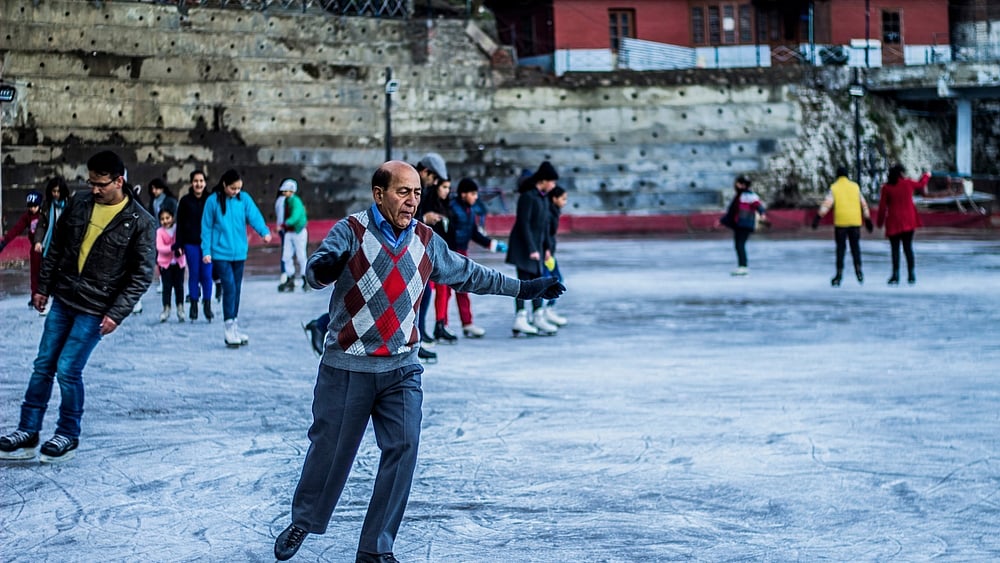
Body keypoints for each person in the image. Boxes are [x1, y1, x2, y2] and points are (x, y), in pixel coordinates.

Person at [273, 160, 564, 562]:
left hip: (401, 368)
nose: (412, 201)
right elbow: (318, 267)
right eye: (402, 192)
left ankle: (375, 548)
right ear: (379, 194)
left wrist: (525, 287)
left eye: (416, 193)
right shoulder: (353, 230)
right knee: (329, 451)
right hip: (347, 366)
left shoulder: (426, 240)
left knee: (404, 446)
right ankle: (304, 521)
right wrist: (322, 269)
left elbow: (470, 274)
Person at [0, 150, 156, 463]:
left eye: (101, 184)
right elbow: (56, 246)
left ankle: (68, 434)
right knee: (43, 364)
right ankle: (28, 431)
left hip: (96, 308)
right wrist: (43, 287)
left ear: (119, 181)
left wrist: (116, 313)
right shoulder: (81, 203)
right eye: (91, 182)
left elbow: (141, 276)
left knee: (68, 369)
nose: (94, 189)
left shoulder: (139, 222)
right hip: (64, 298)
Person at [200, 169, 273, 347]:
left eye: (239, 188)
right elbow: (206, 227)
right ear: (224, 185)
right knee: (229, 287)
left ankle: (234, 325)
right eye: (233, 188)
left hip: (239, 252)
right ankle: (228, 327)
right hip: (220, 253)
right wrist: (206, 250)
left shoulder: (244, 199)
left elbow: (254, 215)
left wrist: (264, 231)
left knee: (237, 289)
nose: (236, 191)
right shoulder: (213, 201)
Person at [445, 178, 508, 337]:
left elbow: (474, 233)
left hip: (462, 253)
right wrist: (448, 254)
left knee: (463, 289)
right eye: (473, 194)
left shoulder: (470, 211)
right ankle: (442, 325)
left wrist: (491, 244)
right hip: (449, 253)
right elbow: (446, 233)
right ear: (463, 194)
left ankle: (467, 323)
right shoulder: (452, 208)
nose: (475, 197)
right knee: (445, 292)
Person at [505, 161, 560, 336]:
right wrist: (531, 249)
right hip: (524, 248)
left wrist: (547, 249)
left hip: (538, 247)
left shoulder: (543, 198)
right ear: (543, 180)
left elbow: (544, 228)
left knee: (538, 281)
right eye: (552, 182)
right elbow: (524, 224)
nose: (554, 186)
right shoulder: (528, 197)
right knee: (524, 282)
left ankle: (537, 314)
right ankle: (520, 317)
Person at [812, 166, 873, 286]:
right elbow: (863, 203)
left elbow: (827, 204)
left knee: (841, 249)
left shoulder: (834, 187)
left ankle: (839, 274)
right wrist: (867, 219)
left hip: (841, 223)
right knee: (855, 247)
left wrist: (818, 218)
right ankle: (859, 271)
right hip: (855, 221)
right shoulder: (855, 187)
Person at [876, 164, 931, 285]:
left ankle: (895, 275)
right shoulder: (908, 183)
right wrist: (926, 175)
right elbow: (921, 184)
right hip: (908, 220)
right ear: (901, 173)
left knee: (895, 250)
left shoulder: (886, 187)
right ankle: (911, 274)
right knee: (908, 248)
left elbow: (882, 207)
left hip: (893, 221)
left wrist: (879, 223)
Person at [175, 169, 214, 322]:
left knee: (207, 275)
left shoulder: (211, 200)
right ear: (191, 183)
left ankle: (207, 304)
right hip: (190, 243)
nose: (199, 184)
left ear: (205, 183)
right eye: (196, 181)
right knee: (194, 274)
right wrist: (179, 244)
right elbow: (180, 225)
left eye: (201, 181)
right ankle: (194, 304)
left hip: (207, 244)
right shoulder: (185, 201)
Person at [719, 175, 769, 276]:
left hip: (745, 223)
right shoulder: (739, 196)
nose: (735, 185)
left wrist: (762, 214)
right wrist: (722, 221)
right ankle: (742, 265)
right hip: (740, 224)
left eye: (737, 183)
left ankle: (743, 266)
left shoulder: (748, 196)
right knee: (738, 245)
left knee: (740, 244)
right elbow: (732, 212)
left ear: (742, 185)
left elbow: (758, 205)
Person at [0, 191, 44, 300]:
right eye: (30, 206)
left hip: (47, 247)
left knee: (47, 273)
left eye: (35, 206)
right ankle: (34, 296)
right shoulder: (27, 217)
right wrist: (4, 242)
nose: (32, 208)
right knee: (34, 273)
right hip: (35, 249)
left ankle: (46, 295)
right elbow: (17, 229)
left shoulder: (44, 215)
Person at [541, 185, 569, 326]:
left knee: (556, 281)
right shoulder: (548, 212)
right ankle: (541, 312)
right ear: (554, 198)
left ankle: (548, 309)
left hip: (549, 253)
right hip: (545, 253)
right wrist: (546, 250)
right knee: (547, 282)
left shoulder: (554, 211)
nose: (565, 202)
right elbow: (545, 233)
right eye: (563, 199)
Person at [156, 204, 187, 322]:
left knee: (179, 287)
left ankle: (180, 308)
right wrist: (173, 247)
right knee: (167, 287)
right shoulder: (159, 232)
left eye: (167, 218)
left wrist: (180, 248)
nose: (165, 221)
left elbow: (183, 242)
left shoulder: (178, 229)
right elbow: (160, 247)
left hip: (179, 263)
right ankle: (166, 308)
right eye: (162, 219)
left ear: (172, 217)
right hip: (165, 264)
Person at [277, 178, 309, 293]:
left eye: (286, 191)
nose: (284, 193)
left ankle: (306, 279)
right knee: (286, 255)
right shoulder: (286, 201)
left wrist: (284, 224)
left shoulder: (295, 201)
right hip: (289, 232)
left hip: (298, 232)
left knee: (301, 255)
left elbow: (295, 216)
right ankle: (290, 278)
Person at [33, 176, 69, 258]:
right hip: (50, 244)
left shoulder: (69, 205)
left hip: (65, 245)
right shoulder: (47, 206)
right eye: (54, 191)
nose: (56, 194)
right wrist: (38, 241)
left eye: (58, 191)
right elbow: (41, 225)